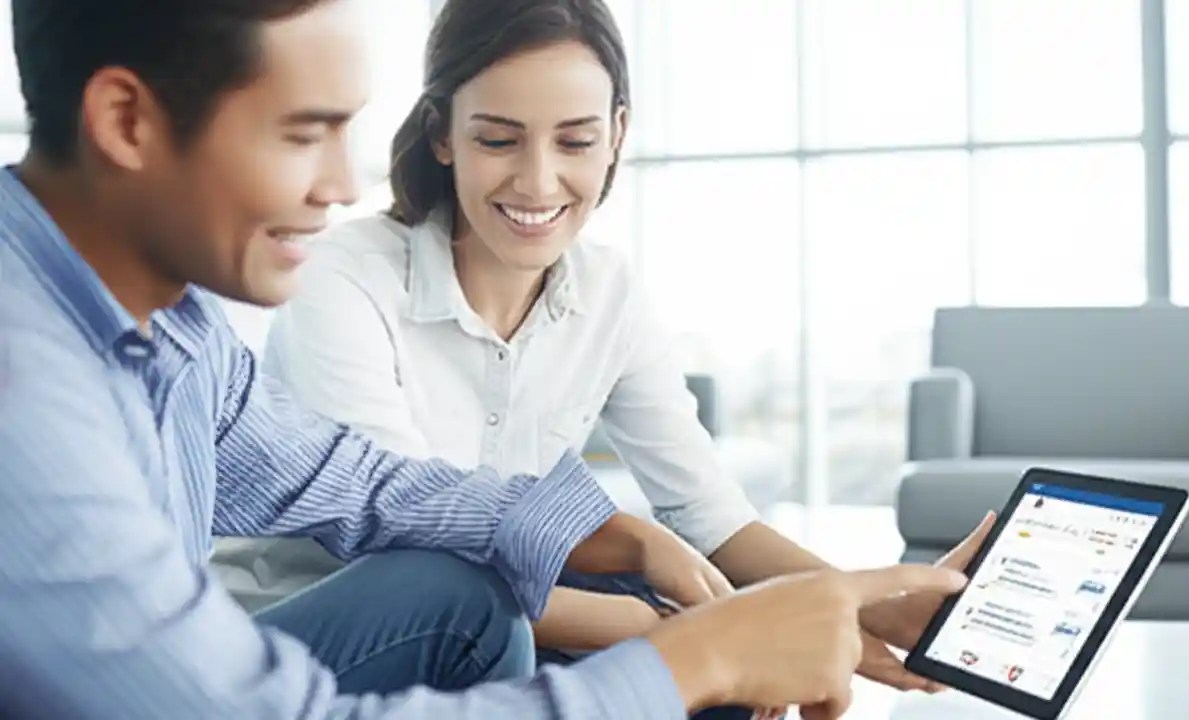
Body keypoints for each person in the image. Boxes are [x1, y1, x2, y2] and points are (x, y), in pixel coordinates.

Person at [0, 1, 990, 718]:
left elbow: (349, 480)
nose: (342, 181)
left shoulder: (177, 327)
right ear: (126, 122)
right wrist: (697, 657)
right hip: (225, 673)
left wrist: (613, 537)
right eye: (303, 134)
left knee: (474, 590)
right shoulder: (22, 386)